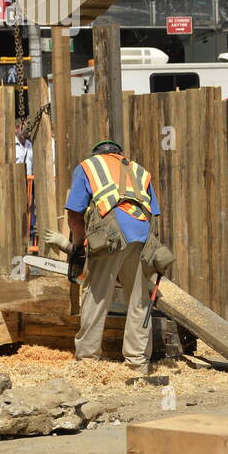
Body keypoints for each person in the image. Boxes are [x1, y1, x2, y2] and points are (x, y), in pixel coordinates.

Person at [64, 139, 162, 372]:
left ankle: (88, 362)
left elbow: (74, 215)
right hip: (142, 234)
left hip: (111, 232)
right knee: (139, 299)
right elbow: (153, 213)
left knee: (96, 296)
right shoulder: (139, 170)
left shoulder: (87, 166)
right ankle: (137, 363)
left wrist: (79, 246)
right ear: (119, 155)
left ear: (98, 154)